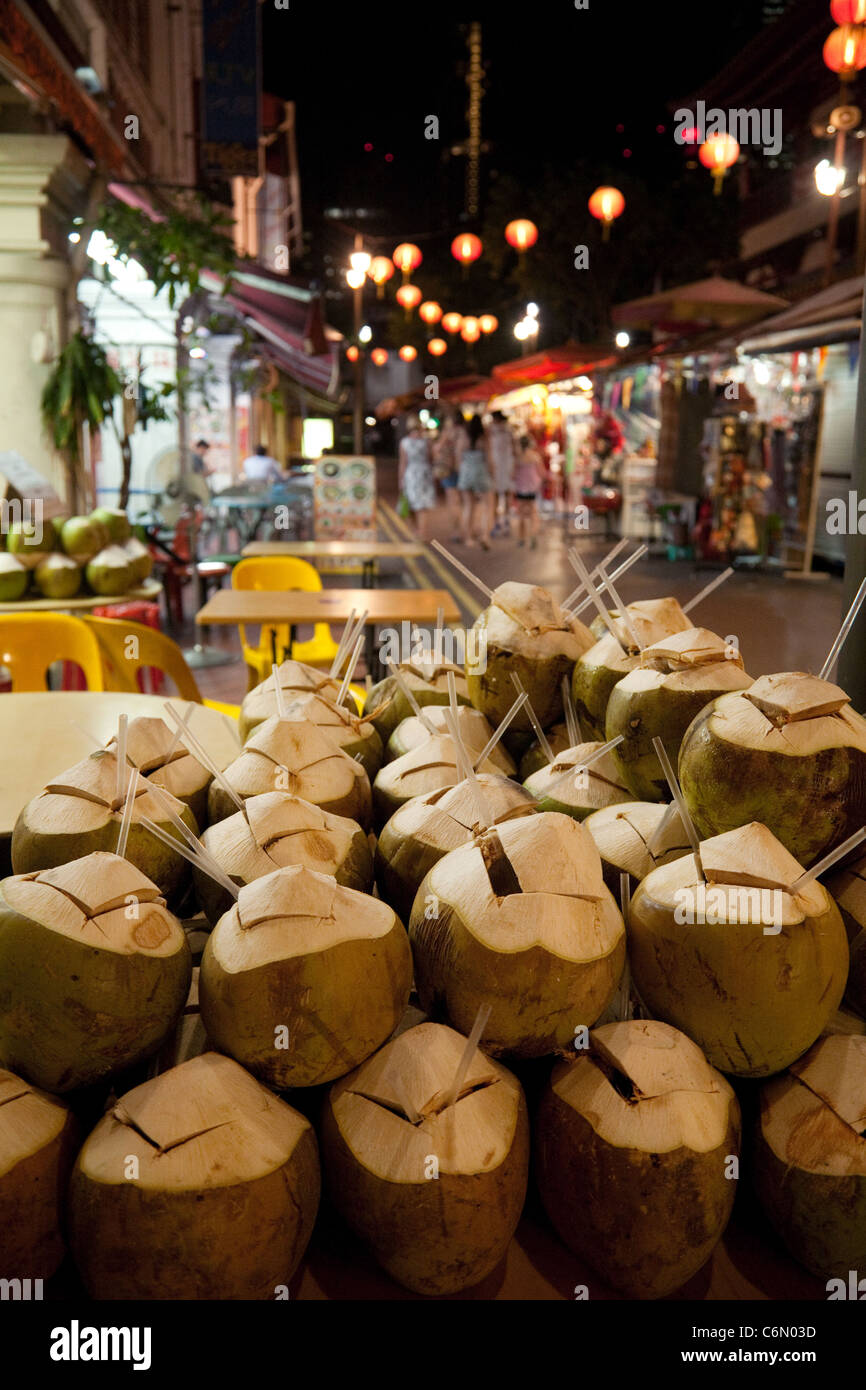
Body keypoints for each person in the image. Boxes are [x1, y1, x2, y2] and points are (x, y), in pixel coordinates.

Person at [457, 413, 493, 548]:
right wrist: (492, 474)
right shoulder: (484, 440)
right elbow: (489, 460)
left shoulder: (463, 439)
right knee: (487, 506)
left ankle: (468, 538)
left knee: (468, 506)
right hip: (481, 473)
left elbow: (458, 458)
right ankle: (484, 535)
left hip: (466, 473)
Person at [398, 416, 436, 541]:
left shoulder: (404, 442)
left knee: (413, 504)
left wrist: (401, 479)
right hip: (424, 473)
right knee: (422, 505)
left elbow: (403, 462)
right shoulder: (427, 441)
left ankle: (418, 531)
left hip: (411, 474)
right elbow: (431, 458)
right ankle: (422, 532)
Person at [432, 408, 466, 541]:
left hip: (449, 469)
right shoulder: (465, 433)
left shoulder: (448, 432)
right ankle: (466, 530)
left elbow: (437, 449)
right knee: (467, 502)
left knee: (453, 502)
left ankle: (456, 531)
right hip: (465, 468)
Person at [487, 411, 517, 536]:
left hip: (499, 467)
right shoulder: (508, 431)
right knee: (503, 496)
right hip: (504, 466)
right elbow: (515, 450)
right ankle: (503, 522)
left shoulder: (493, 432)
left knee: (498, 496)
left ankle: (500, 523)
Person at [513, 434, 542, 548]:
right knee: (533, 512)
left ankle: (521, 538)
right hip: (532, 487)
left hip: (521, 488)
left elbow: (513, 474)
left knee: (521, 513)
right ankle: (533, 534)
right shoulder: (535, 456)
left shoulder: (518, 458)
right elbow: (541, 472)